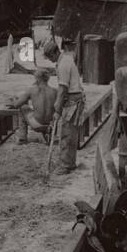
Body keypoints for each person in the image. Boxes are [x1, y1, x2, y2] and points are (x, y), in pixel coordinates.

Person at [44, 39, 85, 173]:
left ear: (56, 52)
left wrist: (57, 108)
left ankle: (66, 165)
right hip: (74, 98)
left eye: (50, 56)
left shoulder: (63, 65)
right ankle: (69, 162)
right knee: (70, 132)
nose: (50, 60)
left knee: (67, 133)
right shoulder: (65, 60)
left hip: (72, 100)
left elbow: (62, 89)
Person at [8, 69, 57, 144]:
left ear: (37, 79)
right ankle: (48, 134)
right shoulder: (54, 91)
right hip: (49, 124)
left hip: (36, 125)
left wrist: (13, 99)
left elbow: (16, 104)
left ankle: (22, 137)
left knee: (23, 108)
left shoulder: (32, 90)